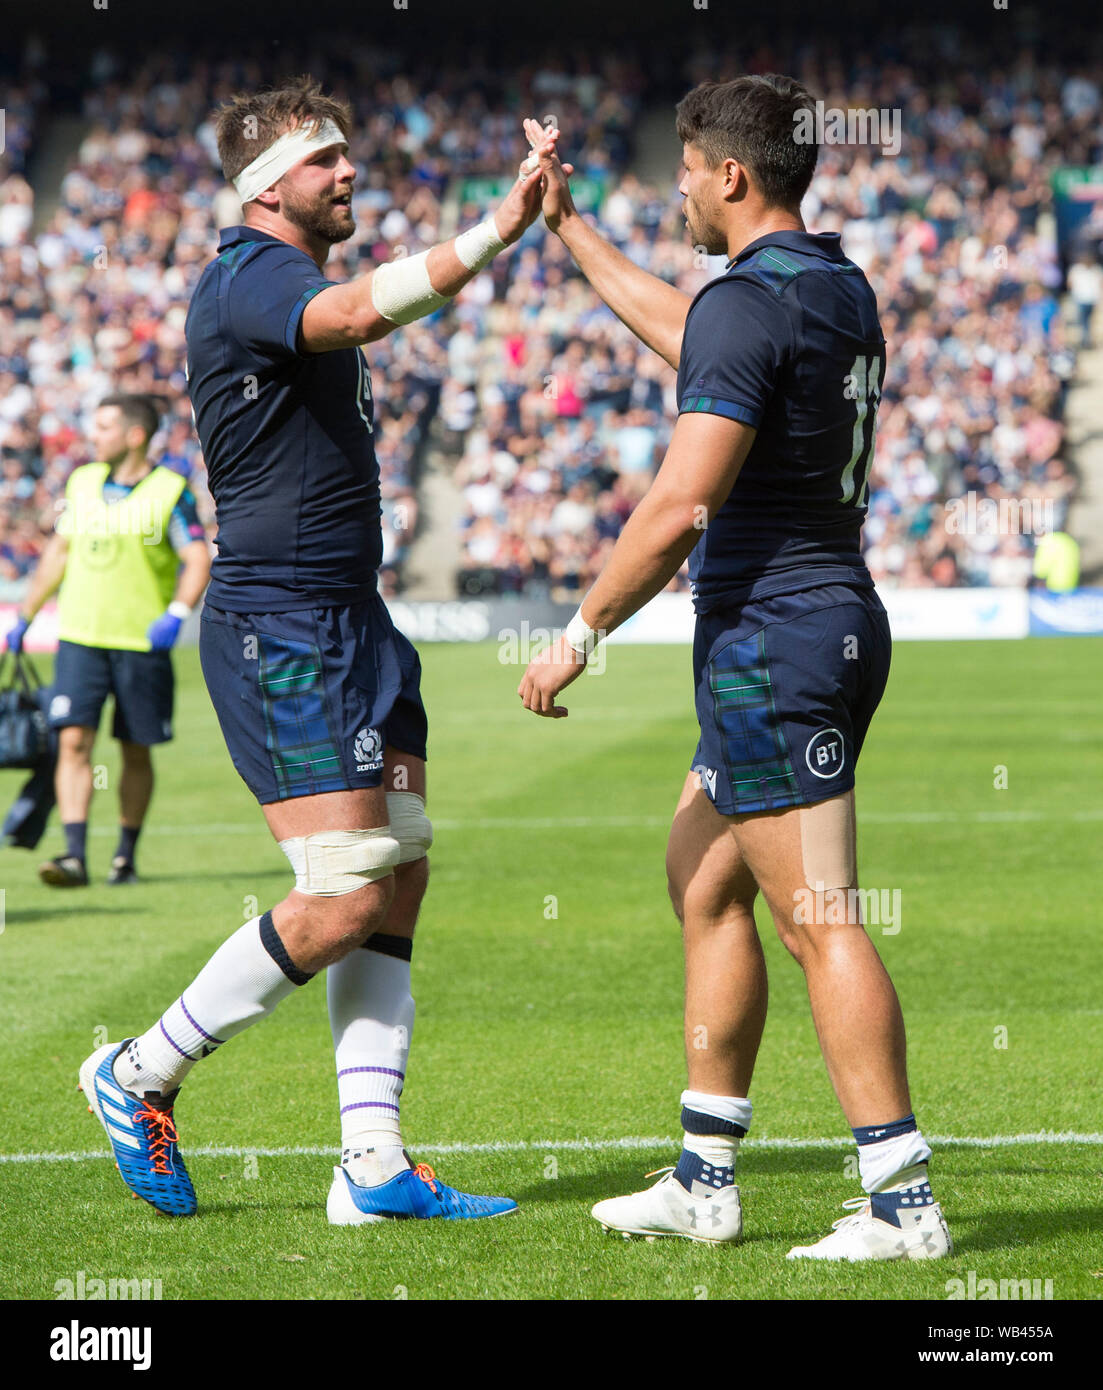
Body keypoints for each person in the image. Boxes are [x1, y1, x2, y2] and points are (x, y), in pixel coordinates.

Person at [79, 76, 546, 1224]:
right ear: (265, 185)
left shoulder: (291, 276)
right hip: (280, 624)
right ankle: (137, 1069)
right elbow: (353, 317)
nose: (349, 173)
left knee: (399, 874)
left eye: (346, 155)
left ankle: (371, 1165)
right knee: (339, 898)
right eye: (325, 159)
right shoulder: (250, 277)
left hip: (353, 620)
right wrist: (495, 227)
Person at [518, 78, 953, 1260]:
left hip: (775, 641)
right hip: (823, 622)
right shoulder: (828, 284)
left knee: (819, 917)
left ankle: (901, 1202)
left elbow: (678, 505)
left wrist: (577, 634)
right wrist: (567, 227)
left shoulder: (743, 304)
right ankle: (702, 1178)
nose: (676, 189)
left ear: (729, 176)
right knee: (704, 883)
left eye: (685, 167)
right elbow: (688, 327)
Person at [5, 393, 210, 886]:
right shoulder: (82, 482)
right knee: (73, 740)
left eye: (102, 427)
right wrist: (26, 614)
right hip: (79, 636)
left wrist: (178, 613)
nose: (91, 436)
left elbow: (198, 557)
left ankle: (125, 858)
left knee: (136, 749)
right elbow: (59, 551)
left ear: (134, 435)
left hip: (142, 644)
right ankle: (74, 855)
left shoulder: (171, 491)